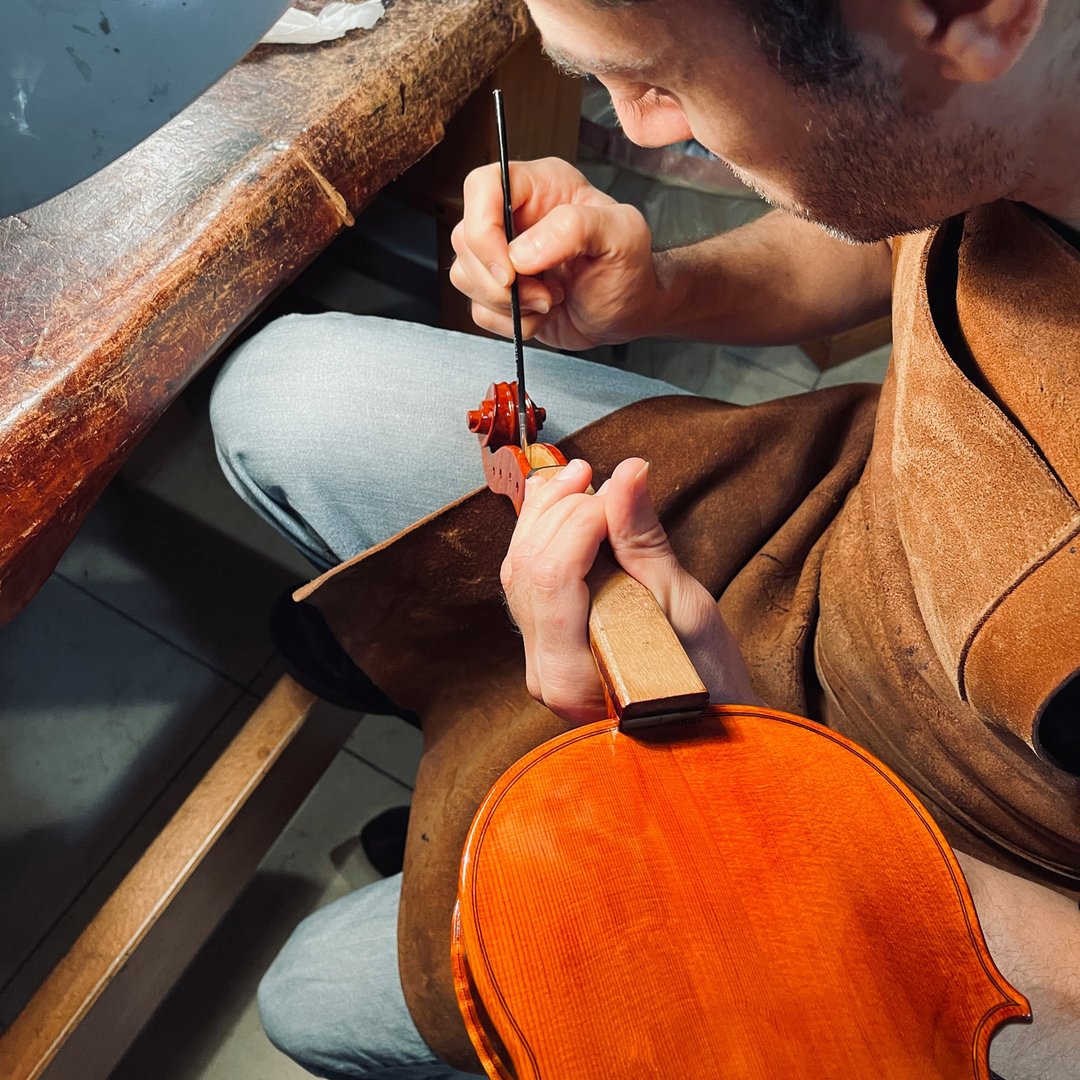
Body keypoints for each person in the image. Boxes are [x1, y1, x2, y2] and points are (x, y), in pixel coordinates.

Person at [209, 0, 1080, 1077]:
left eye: (659, 79)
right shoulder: (1008, 101)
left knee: (305, 997)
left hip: (931, 866)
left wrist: (757, 784)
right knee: (285, 395)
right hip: (831, 518)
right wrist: (666, 286)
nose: (642, 127)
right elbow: (912, 189)